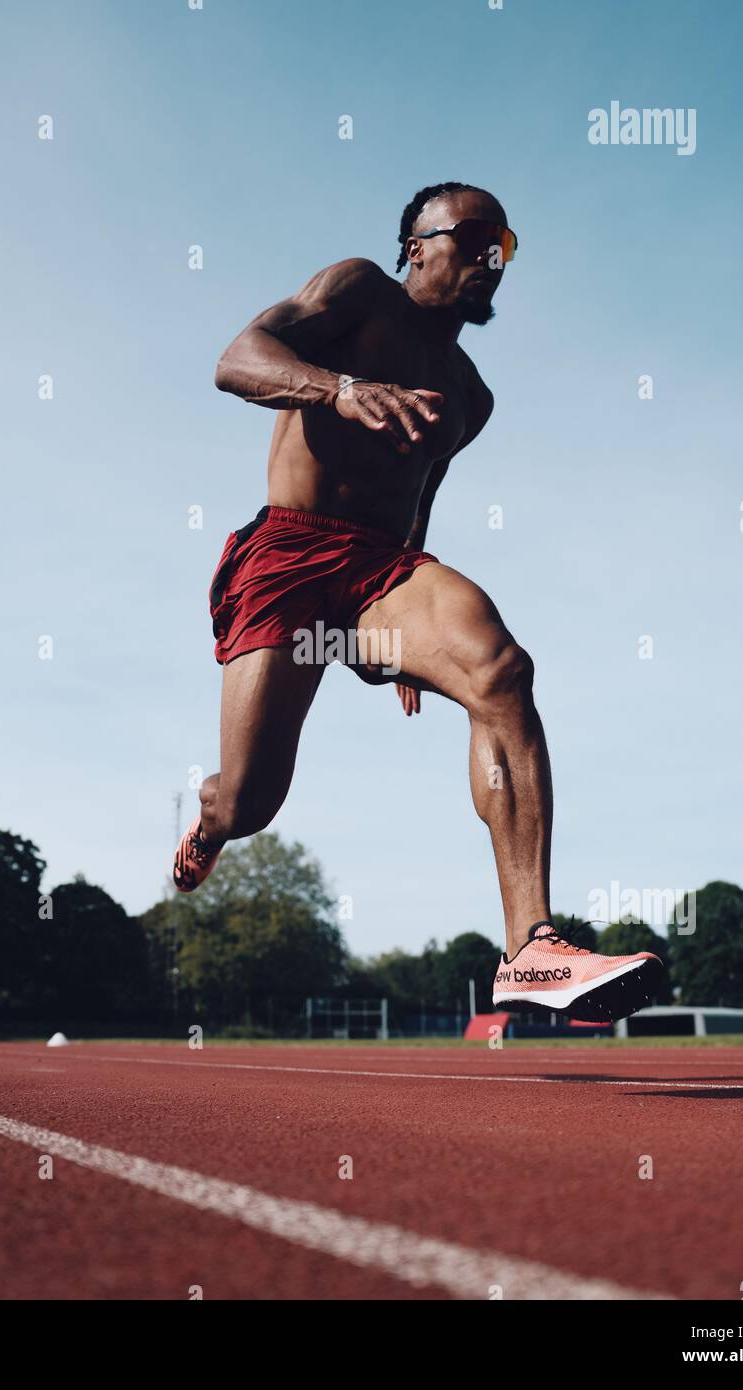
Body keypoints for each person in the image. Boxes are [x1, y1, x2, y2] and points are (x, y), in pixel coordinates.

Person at [174, 180, 662, 1023]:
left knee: (498, 671)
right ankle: (211, 819)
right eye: (473, 236)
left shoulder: (471, 397)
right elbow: (236, 360)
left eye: (503, 245)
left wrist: (414, 634)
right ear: (416, 247)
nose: (489, 258)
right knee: (254, 800)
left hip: (380, 573)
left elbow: (419, 490)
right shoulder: (357, 290)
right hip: (289, 556)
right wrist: (337, 389)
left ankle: (530, 947)